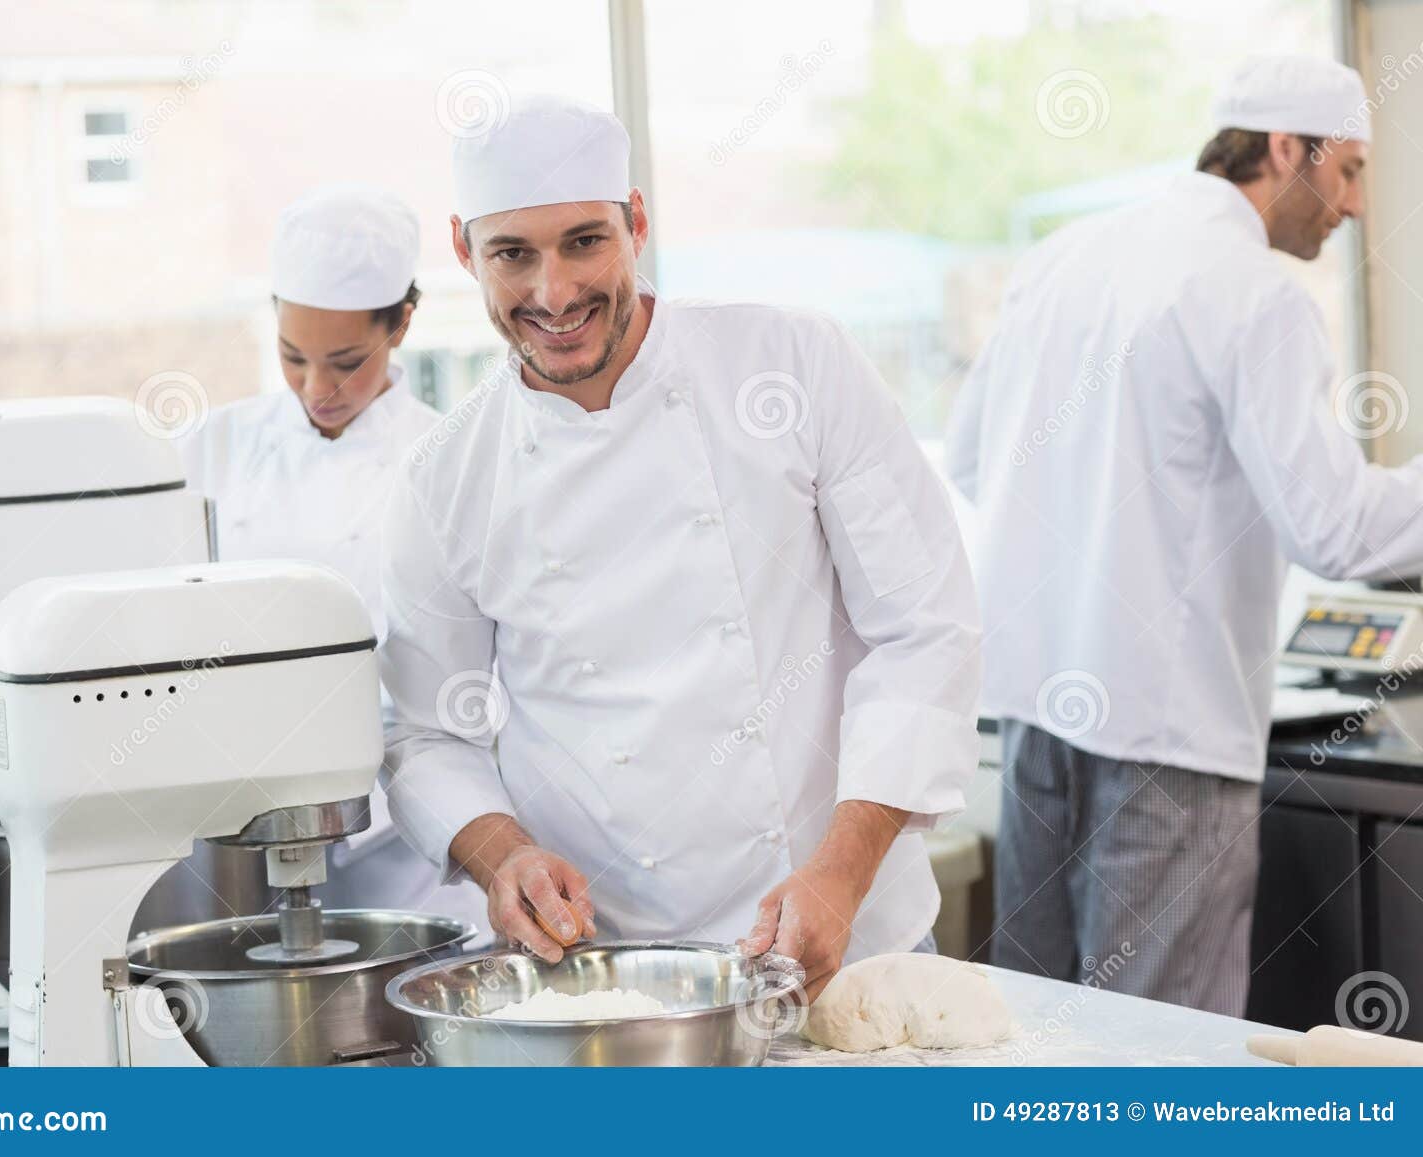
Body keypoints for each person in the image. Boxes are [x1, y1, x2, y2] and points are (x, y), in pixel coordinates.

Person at [379, 95, 980, 1000]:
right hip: (616, 984)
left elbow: (923, 628)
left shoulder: (790, 363)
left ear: (638, 223)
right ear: (465, 250)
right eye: (513, 253)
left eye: (586, 241)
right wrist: (504, 856)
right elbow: (426, 731)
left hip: (851, 949)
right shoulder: (443, 475)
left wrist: (842, 875)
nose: (554, 293)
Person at [945, 55, 1421, 1015]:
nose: (1356, 205)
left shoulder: (1068, 255)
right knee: (1163, 1048)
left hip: (1039, 717)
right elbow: (1336, 529)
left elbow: (968, 459)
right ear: (1287, 149)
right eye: (1350, 169)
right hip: (1171, 737)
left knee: (1034, 1030)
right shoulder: (1259, 293)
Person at [184, 184, 485, 932]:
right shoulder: (212, 447)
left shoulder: (448, 458)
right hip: (235, 821)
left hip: (404, 828)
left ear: (403, 324)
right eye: (293, 357)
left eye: (346, 362)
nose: (317, 389)